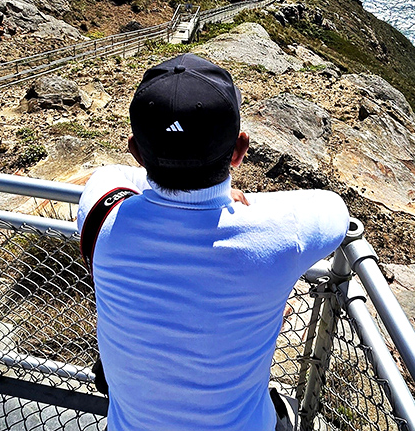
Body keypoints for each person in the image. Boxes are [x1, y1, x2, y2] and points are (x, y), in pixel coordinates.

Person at [77, 53, 349, 431]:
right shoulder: (282, 231)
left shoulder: (100, 214)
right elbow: (334, 208)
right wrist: (223, 196)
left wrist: (175, 174)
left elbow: (111, 175)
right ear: (240, 150)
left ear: (136, 151)